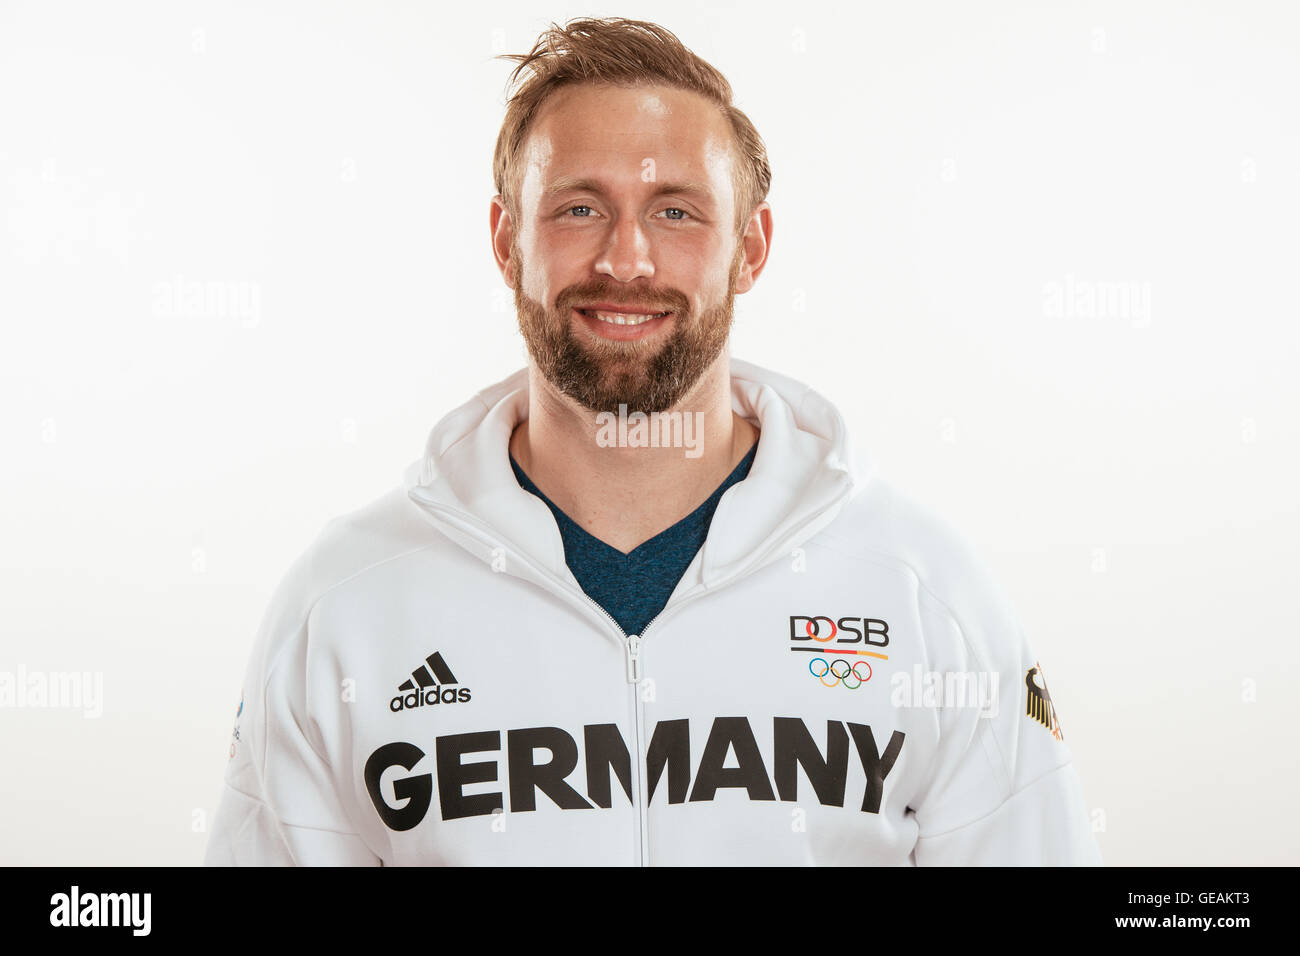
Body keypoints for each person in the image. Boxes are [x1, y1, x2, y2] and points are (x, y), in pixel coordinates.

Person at [203, 16, 1101, 866]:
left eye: (675, 212)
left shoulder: (922, 593)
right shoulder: (347, 607)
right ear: (506, 239)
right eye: (578, 209)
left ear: (750, 248)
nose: (626, 261)